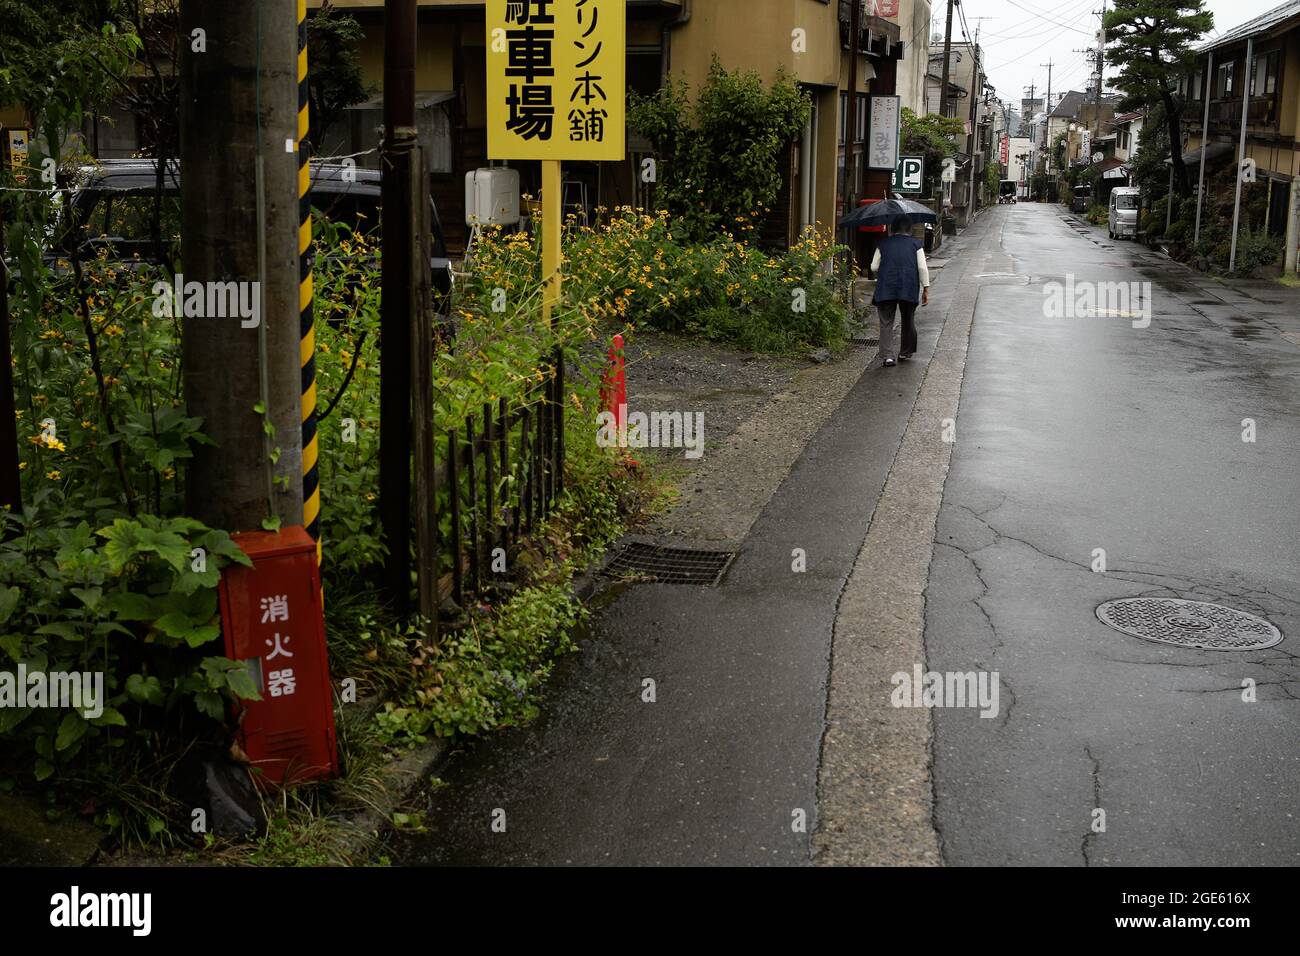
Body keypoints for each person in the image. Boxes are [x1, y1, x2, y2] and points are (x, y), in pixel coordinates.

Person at [870, 216, 930, 367]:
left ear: (893, 228)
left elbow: (873, 267)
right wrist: (926, 288)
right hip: (908, 286)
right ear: (909, 229)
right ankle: (905, 351)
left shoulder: (883, 243)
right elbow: (922, 268)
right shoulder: (916, 244)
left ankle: (888, 357)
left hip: (886, 286)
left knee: (886, 322)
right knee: (908, 319)